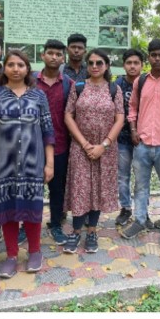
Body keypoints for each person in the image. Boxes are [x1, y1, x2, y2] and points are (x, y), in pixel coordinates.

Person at [0, 50, 55, 277]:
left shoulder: (38, 96)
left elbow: (48, 131)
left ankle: (35, 251)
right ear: (4, 68)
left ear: (27, 69)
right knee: (7, 209)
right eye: (10, 64)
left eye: (20, 65)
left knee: (32, 207)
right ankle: (11, 255)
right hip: (3, 165)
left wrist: (49, 163)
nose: (15, 69)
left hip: (33, 163)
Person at [121, 39, 160, 250]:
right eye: (153, 55)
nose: (157, 58)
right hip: (142, 144)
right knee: (140, 187)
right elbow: (132, 108)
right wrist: (132, 130)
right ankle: (140, 221)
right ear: (148, 57)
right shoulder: (140, 82)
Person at [63, 49, 126, 252]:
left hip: (105, 149)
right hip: (80, 148)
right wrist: (84, 144)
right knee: (81, 188)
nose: (95, 66)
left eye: (99, 62)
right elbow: (68, 116)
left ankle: (91, 231)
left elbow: (120, 118)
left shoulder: (114, 89)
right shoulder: (78, 87)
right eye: (91, 63)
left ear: (106, 65)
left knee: (98, 189)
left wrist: (103, 145)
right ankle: (75, 231)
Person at [34, 39, 70, 246]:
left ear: (62, 58)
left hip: (60, 145)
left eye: (58, 54)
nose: (54, 57)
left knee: (57, 189)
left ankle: (55, 224)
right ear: (43, 55)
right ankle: (27, 225)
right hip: (32, 146)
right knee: (32, 188)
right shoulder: (31, 81)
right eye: (50, 53)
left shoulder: (68, 84)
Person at [114, 48, 144, 228]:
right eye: (129, 63)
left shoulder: (147, 82)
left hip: (144, 139)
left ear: (141, 65)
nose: (132, 66)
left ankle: (142, 210)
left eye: (136, 63)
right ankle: (125, 208)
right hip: (122, 139)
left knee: (142, 177)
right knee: (123, 176)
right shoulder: (117, 85)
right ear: (124, 65)